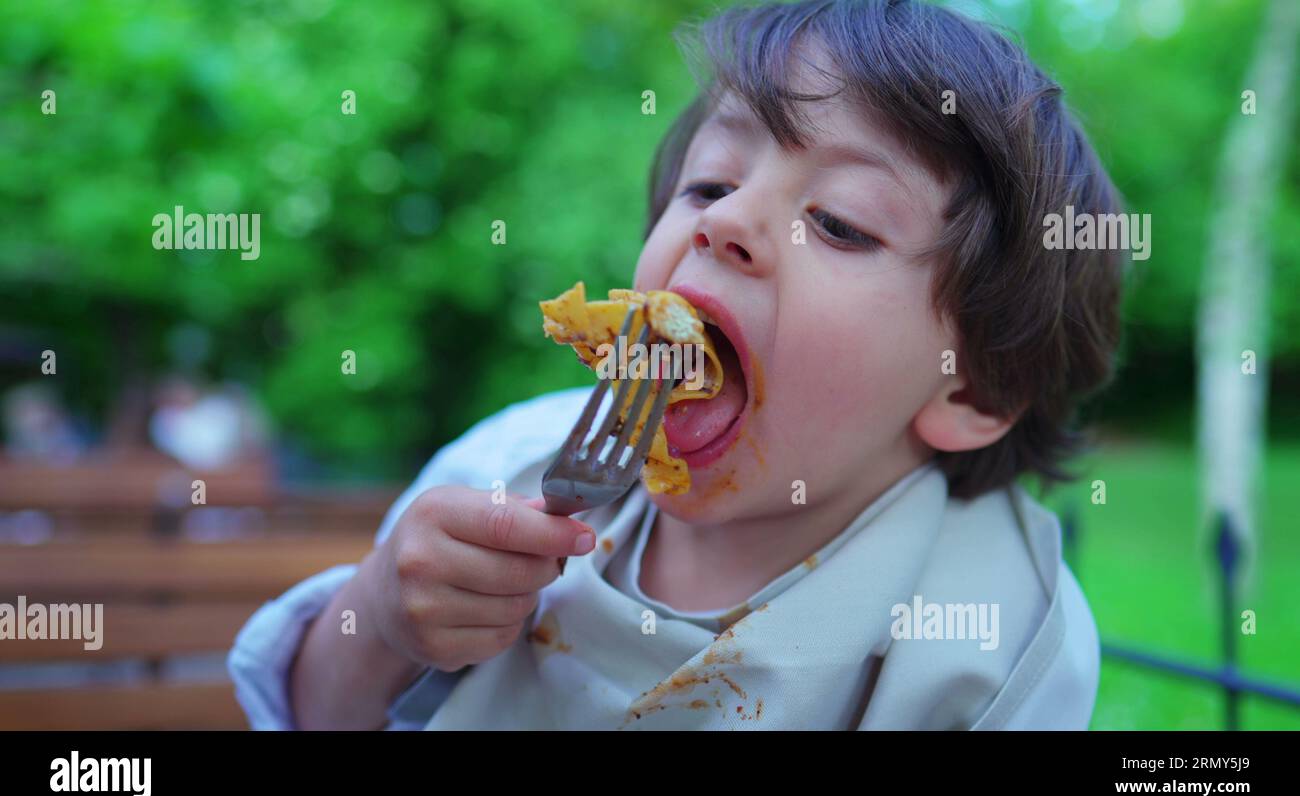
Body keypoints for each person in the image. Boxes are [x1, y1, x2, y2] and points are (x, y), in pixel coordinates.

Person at [229, 0, 1124, 730]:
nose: (726, 222)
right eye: (710, 183)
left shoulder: (995, 639)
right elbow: (310, 710)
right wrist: (385, 614)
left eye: (843, 222)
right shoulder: (506, 468)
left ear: (969, 386)